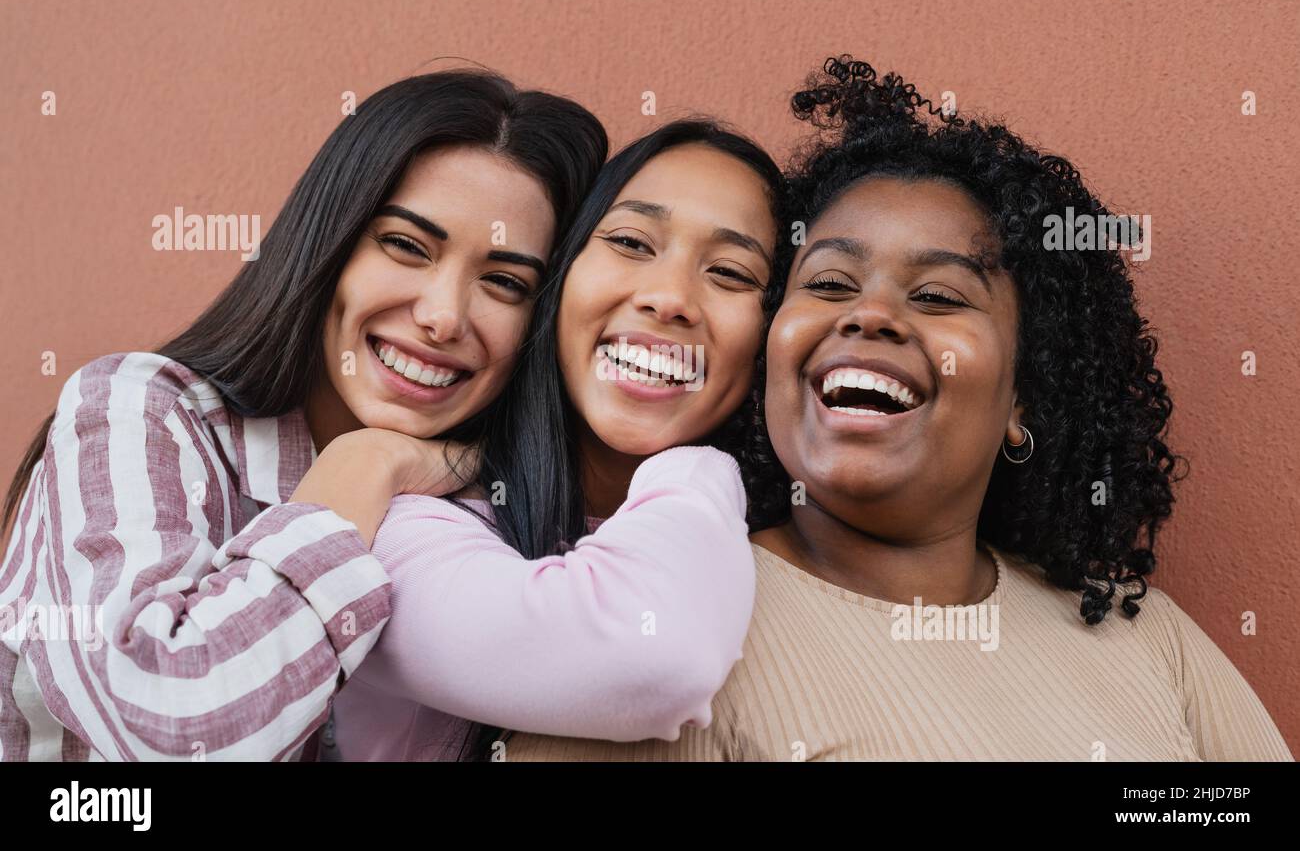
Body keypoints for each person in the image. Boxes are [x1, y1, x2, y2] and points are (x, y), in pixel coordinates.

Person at [498, 56, 1293, 762]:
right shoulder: (664, 623)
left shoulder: (1137, 634)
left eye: (939, 295)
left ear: (1024, 395)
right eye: (830, 284)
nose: (868, 315)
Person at [0, 69, 606, 761]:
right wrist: (358, 473)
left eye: (504, 282)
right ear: (330, 244)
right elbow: (170, 727)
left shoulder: (500, 509)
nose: (443, 317)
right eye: (406, 246)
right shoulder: (141, 412)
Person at [330, 120, 782, 760]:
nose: (669, 298)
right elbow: (652, 658)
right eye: (630, 241)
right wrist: (703, 468)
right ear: (558, 278)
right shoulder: (403, 522)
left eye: (733, 274)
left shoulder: (778, 554)